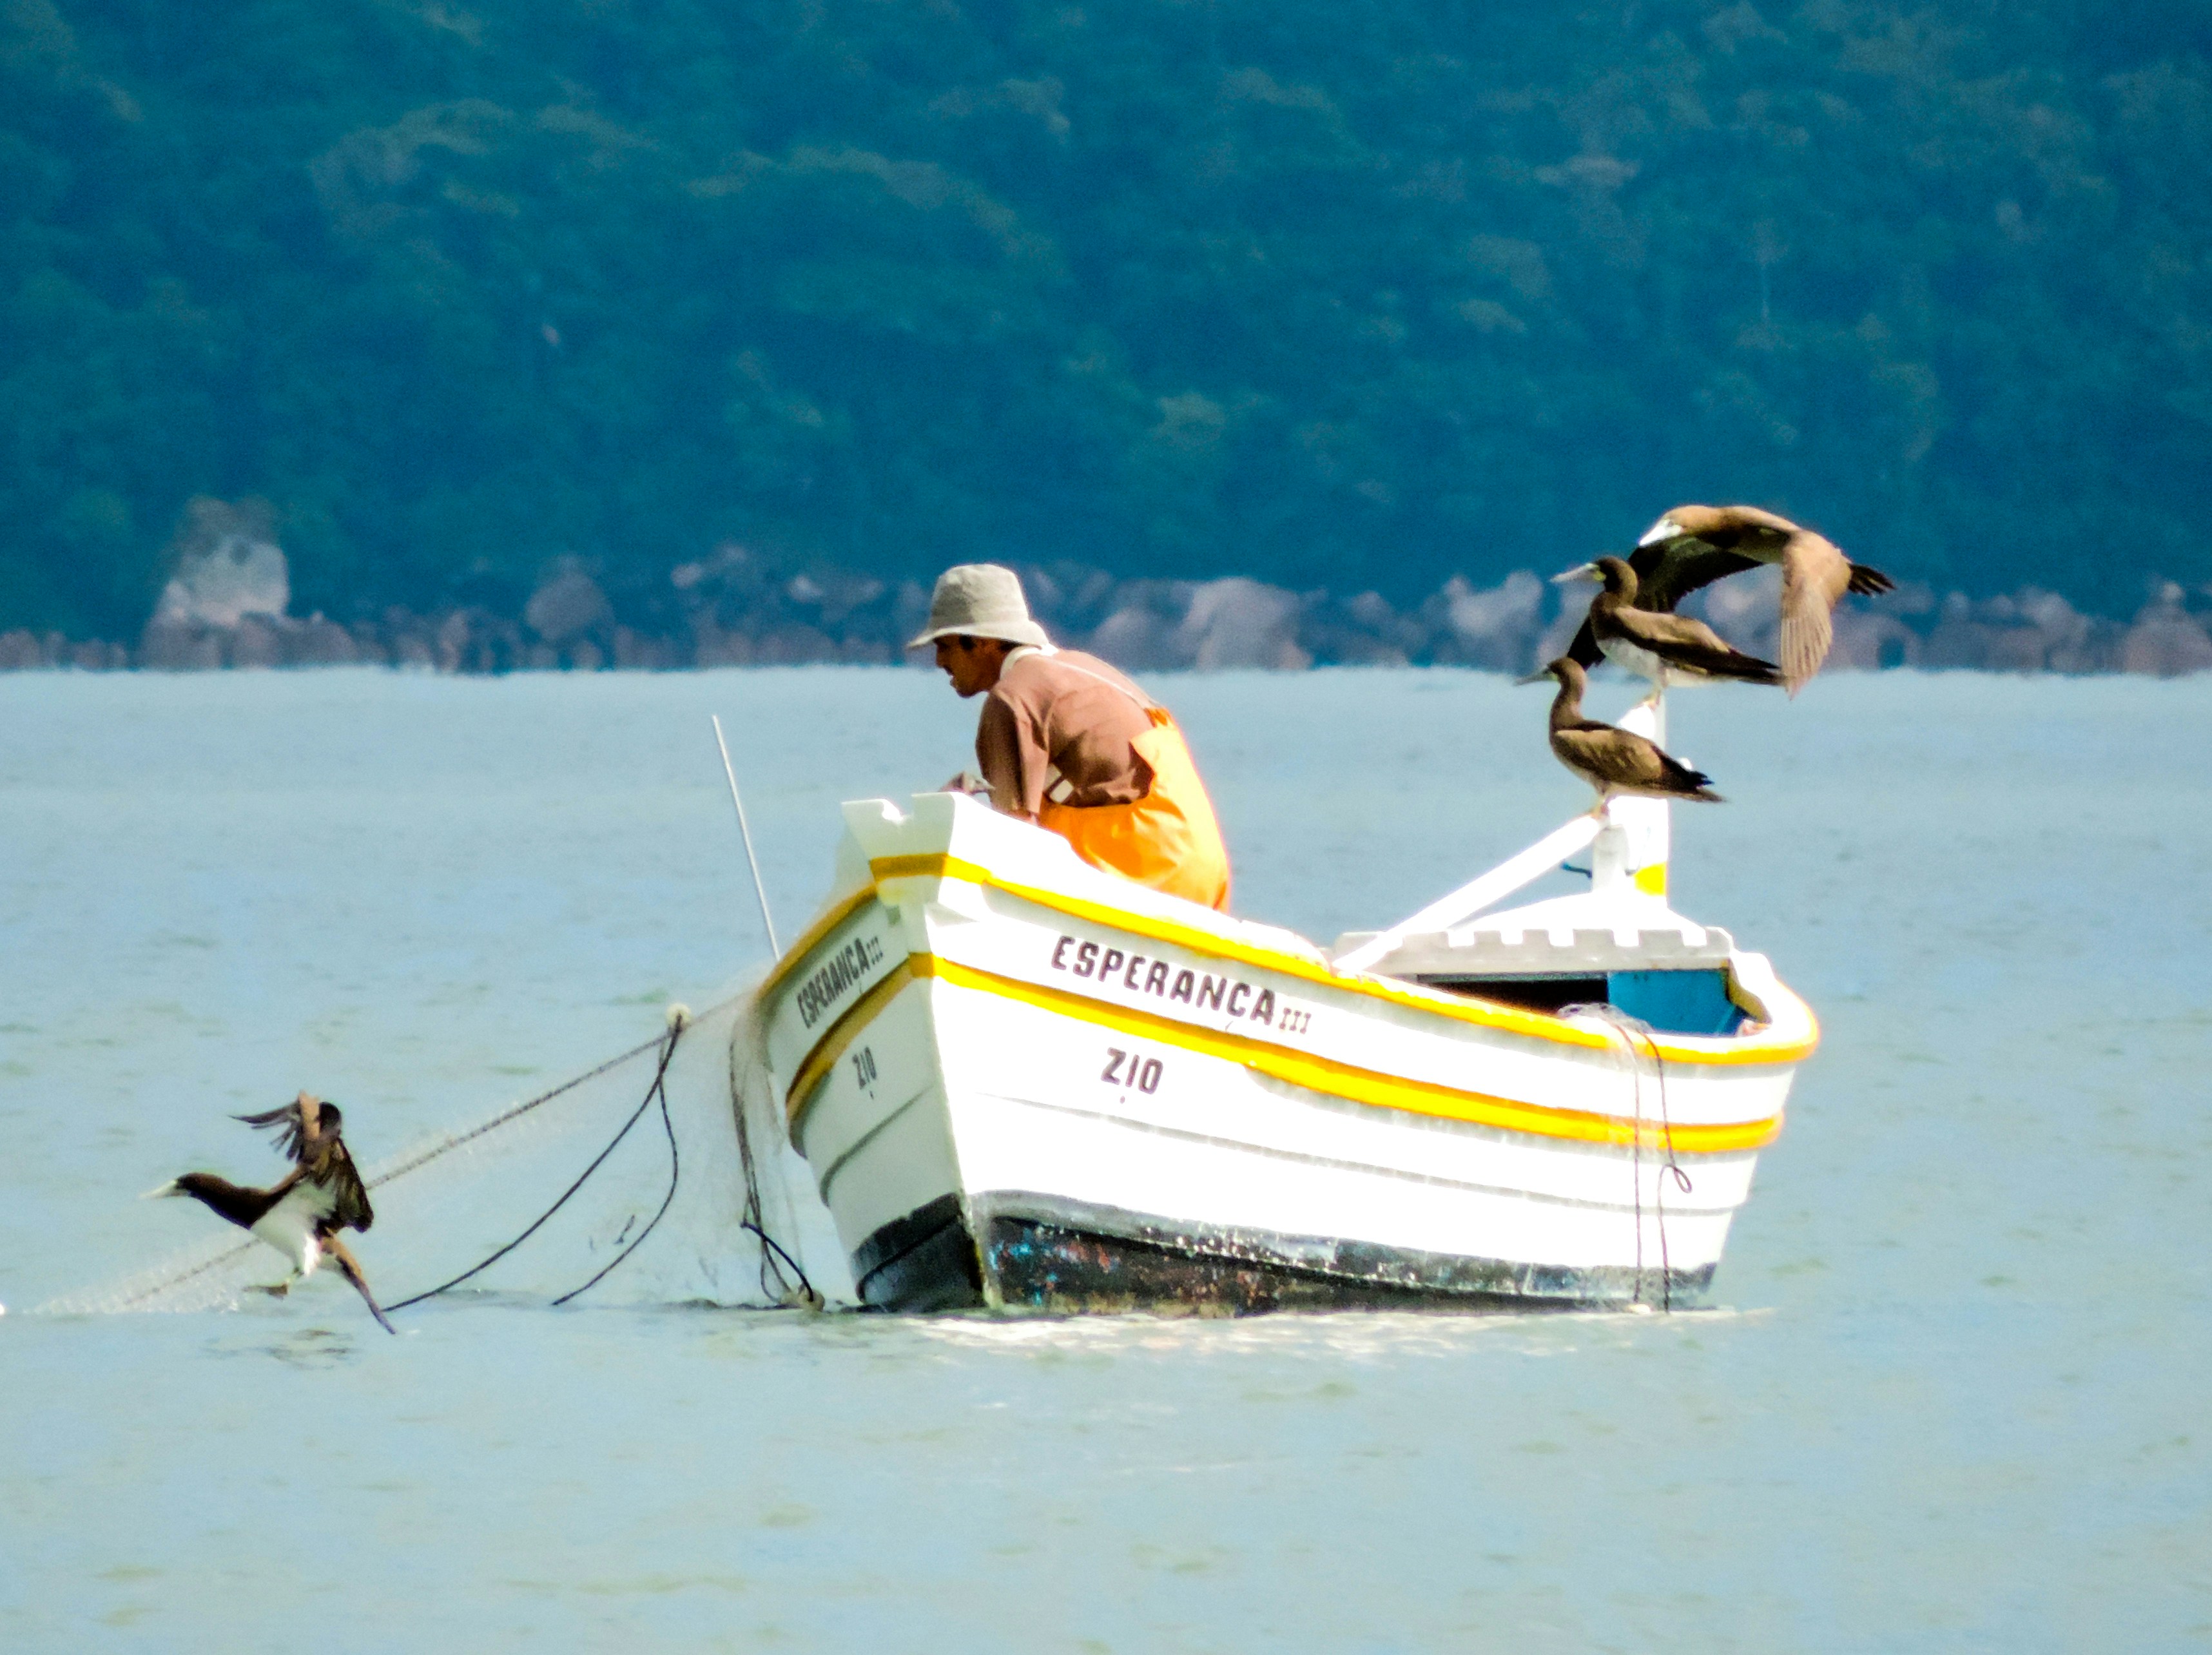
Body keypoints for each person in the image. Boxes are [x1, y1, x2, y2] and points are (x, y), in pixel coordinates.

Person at [908, 564, 1231, 911]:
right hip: (1202, 876)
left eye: (945, 645)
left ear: (984, 642)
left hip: (1146, 878)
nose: (939, 660)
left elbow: (1014, 837)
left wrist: (948, 820)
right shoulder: (1084, 669)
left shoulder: (1012, 700)